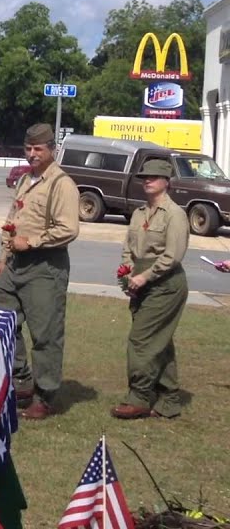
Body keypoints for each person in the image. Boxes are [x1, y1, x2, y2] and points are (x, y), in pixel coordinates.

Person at [0, 123, 80, 421]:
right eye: (28, 148)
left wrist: (32, 241)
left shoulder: (61, 183)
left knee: (45, 334)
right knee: (3, 321)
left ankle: (45, 395)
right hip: (16, 263)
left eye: (38, 149)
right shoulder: (25, 179)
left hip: (45, 266)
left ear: (52, 149)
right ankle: (22, 378)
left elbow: (69, 229)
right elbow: (13, 218)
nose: (32, 154)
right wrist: (4, 255)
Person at [113, 159, 190, 420]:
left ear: (166, 182)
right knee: (160, 342)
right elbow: (128, 249)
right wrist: (127, 274)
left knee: (141, 340)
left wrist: (145, 277)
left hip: (166, 284)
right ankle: (169, 400)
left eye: (154, 177)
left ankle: (139, 397)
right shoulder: (139, 213)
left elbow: (172, 256)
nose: (147, 180)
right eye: (144, 176)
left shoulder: (174, 214)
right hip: (140, 282)